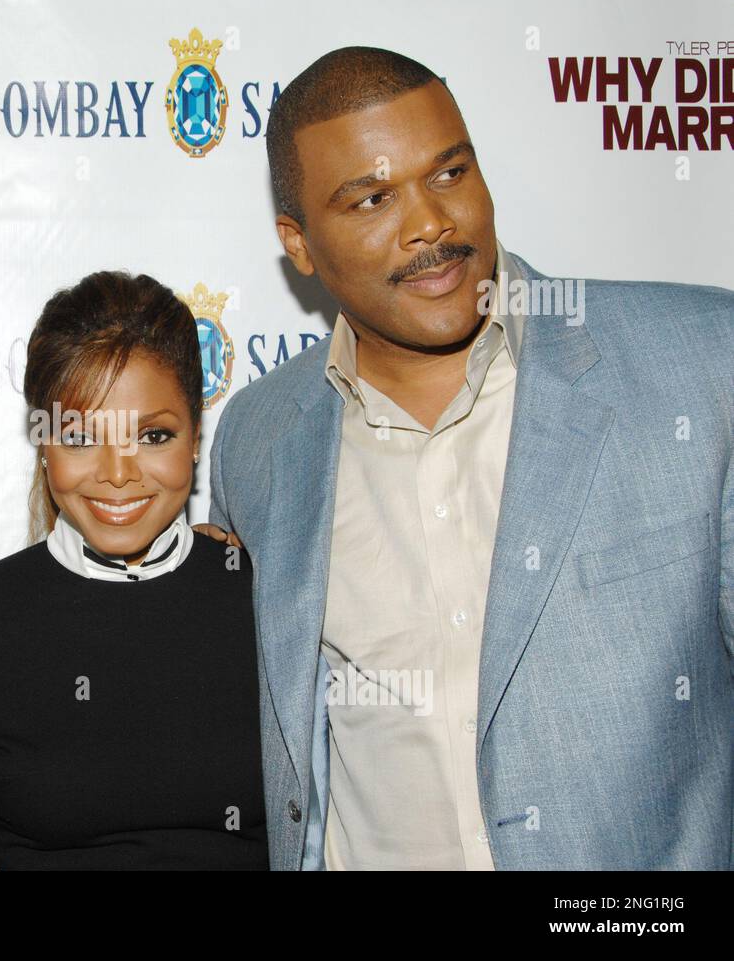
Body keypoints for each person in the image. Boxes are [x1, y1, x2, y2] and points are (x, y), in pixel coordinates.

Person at [207, 46, 734, 870]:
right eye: (373, 198)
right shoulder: (257, 439)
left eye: (449, 174)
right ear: (298, 244)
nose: (431, 225)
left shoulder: (704, 368)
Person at [0, 271, 268, 869]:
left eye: (152, 435)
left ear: (194, 437)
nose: (118, 472)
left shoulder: (268, 597)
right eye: (81, 437)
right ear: (44, 443)